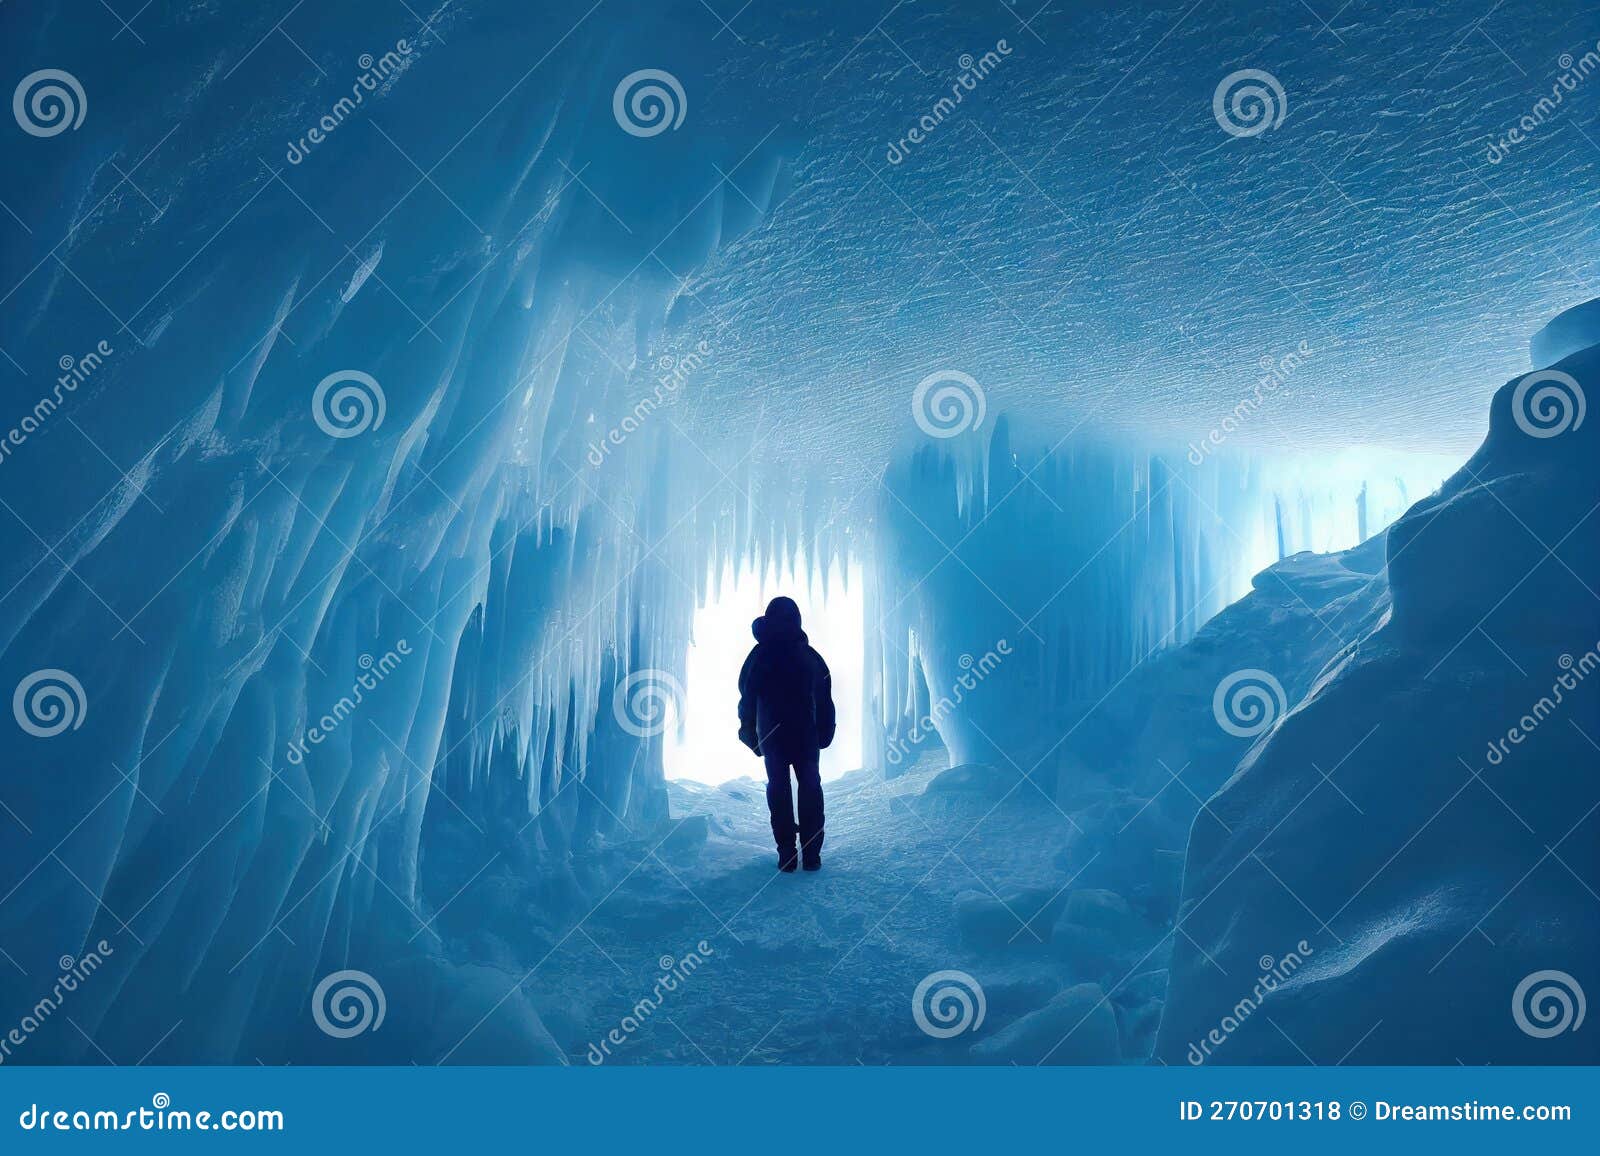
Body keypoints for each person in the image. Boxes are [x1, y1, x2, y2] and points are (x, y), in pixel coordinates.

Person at [737, 596, 835, 872]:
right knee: (809, 788)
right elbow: (825, 696)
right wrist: (826, 730)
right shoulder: (809, 655)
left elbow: (747, 697)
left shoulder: (760, 656)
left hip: (773, 735)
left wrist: (749, 731)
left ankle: (788, 853)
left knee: (780, 789)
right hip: (804, 735)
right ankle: (809, 854)